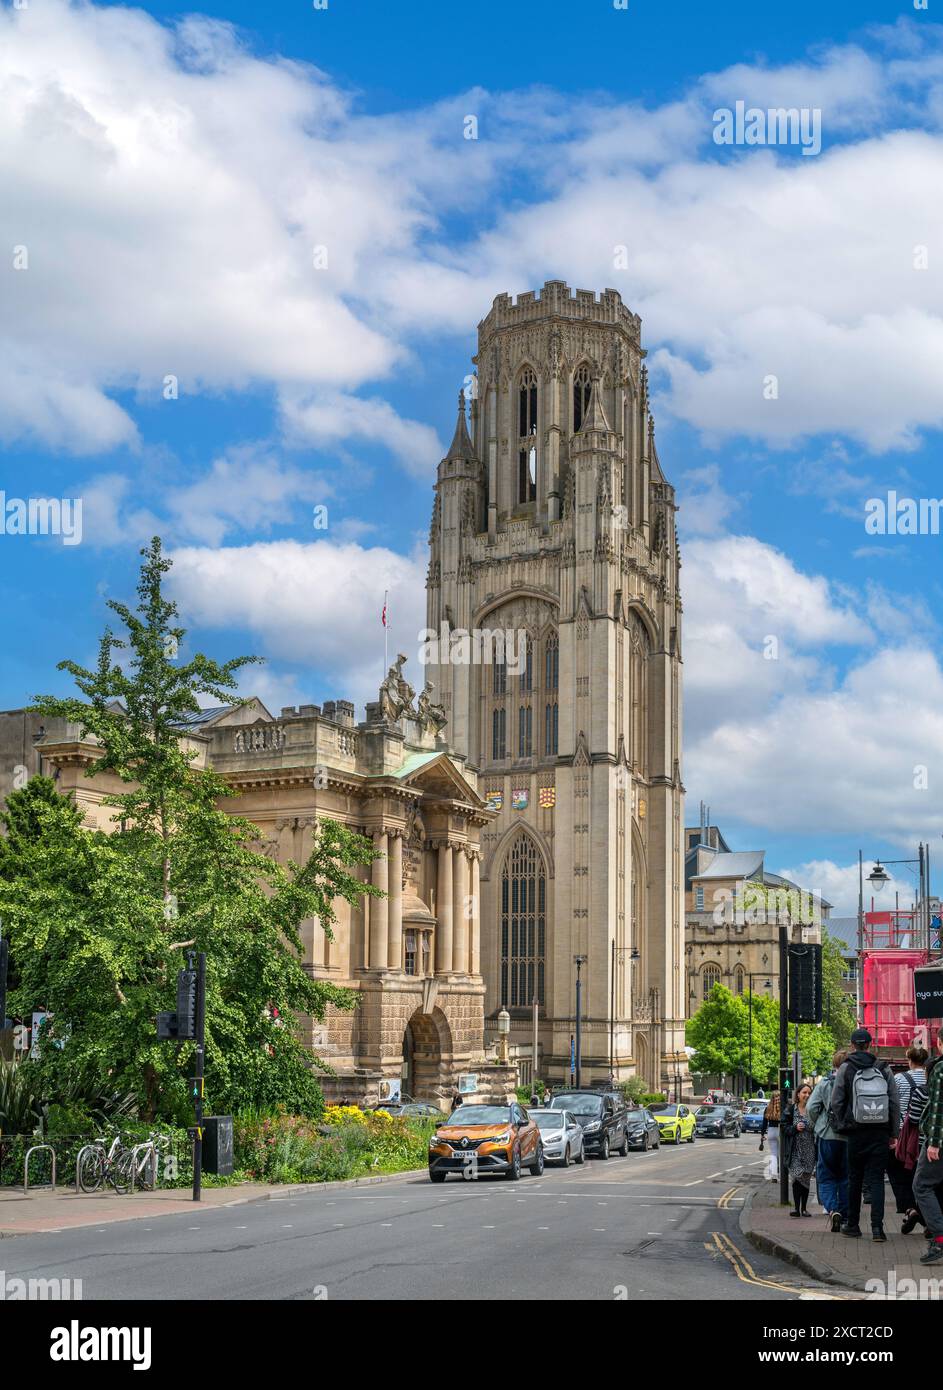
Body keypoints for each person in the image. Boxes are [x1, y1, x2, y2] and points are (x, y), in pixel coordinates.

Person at [830, 1027, 900, 1242]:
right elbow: (894, 1101)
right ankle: (877, 1230)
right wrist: (893, 1133)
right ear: (870, 1044)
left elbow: (836, 1101)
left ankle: (853, 1225)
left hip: (855, 1132)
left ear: (852, 1045)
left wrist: (842, 1123)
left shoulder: (846, 1068)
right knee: (877, 1180)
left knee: (854, 1179)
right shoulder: (883, 1068)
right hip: (879, 1132)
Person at [887, 1045, 929, 1235]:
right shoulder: (931, 1079)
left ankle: (910, 1208)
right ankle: (926, 1215)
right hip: (926, 1135)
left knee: (899, 1174)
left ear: (909, 1061)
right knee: (925, 1178)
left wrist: (892, 1134)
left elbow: (893, 1106)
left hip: (904, 1135)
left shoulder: (899, 1079)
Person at [807, 1049, 849, 1232]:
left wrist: (818, 1124)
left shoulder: (825, 1083)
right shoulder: (854, 1081)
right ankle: (846, 1213)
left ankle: (832, 1210)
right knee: (846, 1177)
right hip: (849, 1137)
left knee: (826, 1176)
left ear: (834, 1065)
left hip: (827, 1135)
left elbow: (811, 1108)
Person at [913, 1031, 943, 1265]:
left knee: (921, 1186)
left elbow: (937, 1109)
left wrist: (933, 1142)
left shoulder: (941, 1069)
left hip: (939, 1141)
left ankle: (940, 1239)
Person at [782, 1082, 817, 1217]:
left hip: (809, 1149)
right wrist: (795, 1128)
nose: (807, 1095)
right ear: (798, 1094)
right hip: (794, 1149)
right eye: (804, 1092)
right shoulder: (791, 1110)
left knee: (806, 1179)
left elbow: (818, 1126)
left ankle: (804, 1208)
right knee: (797, 1177)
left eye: (809, 1093)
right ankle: (796, 1208)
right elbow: (784, 1127)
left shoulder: (812, 1110)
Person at [760, 1090, 781, 1182]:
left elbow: (764, 1123)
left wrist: (762, 1134)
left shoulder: (768, 1108)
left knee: (773, 1154)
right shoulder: (783, 1108)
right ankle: (782, 1175)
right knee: (781, 1154)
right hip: (781, 1131)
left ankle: (774, 1176)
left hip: (771, 1131)